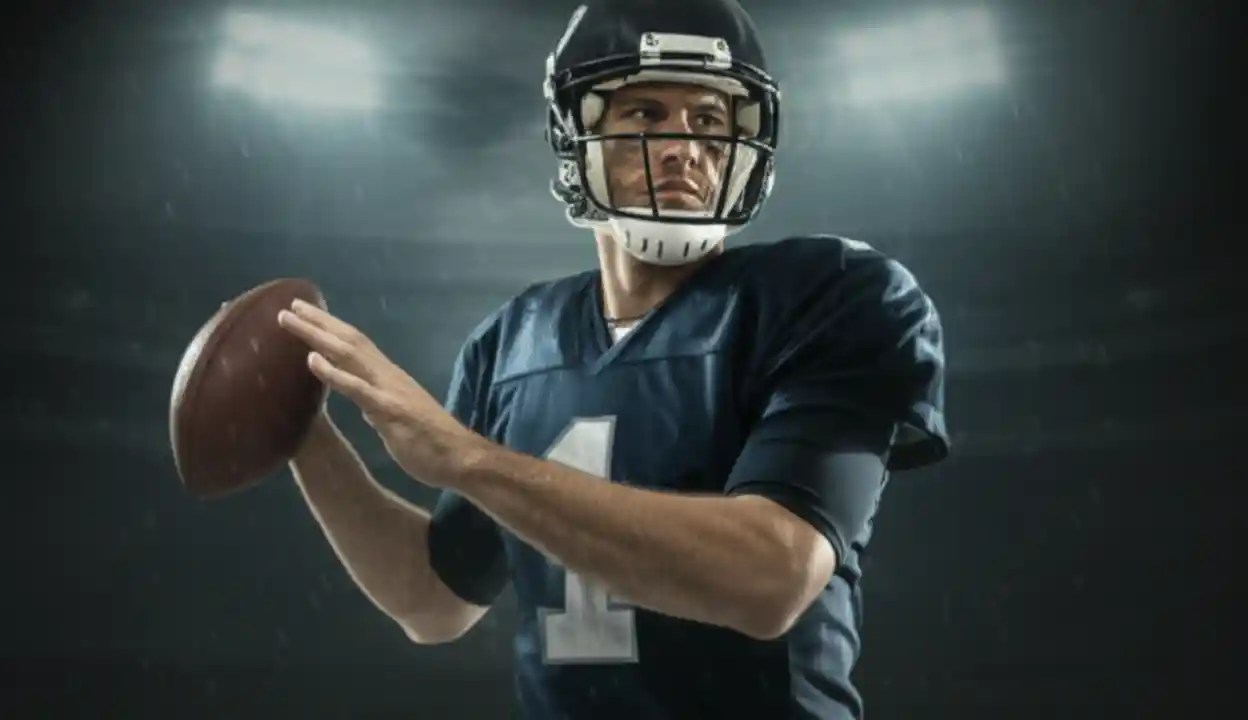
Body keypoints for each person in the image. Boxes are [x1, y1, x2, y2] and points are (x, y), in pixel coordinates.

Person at [275, 0, 949, 717]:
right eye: (648, 114)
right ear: (577, 133)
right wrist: (301, 432)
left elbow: (771, 574)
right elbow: (432, 600)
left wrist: (463, 457)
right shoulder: (512, 341)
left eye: (709, 121)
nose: (684, 147)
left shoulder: (832, 296)